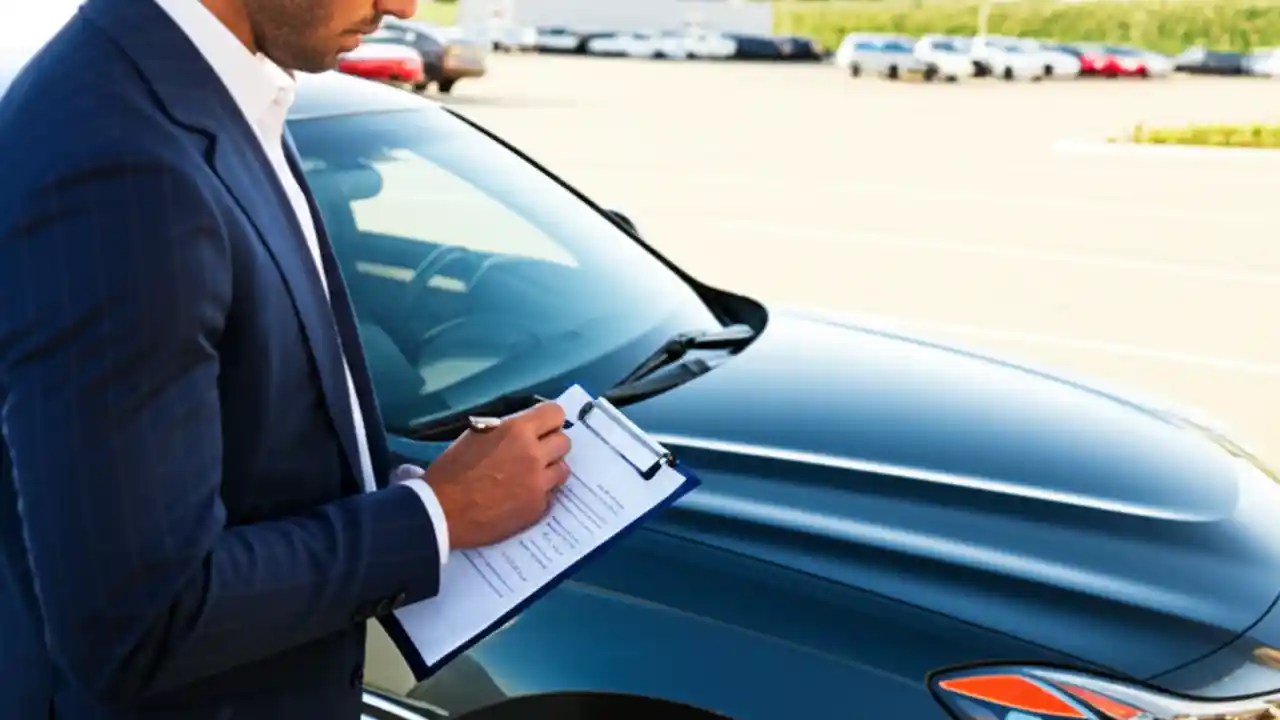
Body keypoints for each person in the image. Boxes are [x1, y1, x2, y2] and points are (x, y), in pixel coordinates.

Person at [0, 0, 572, 718]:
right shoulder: (120, 163)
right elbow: (141, 619)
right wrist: (438, 515)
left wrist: (418, 488)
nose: (402, 7)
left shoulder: (218, 89)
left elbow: (246, 433)